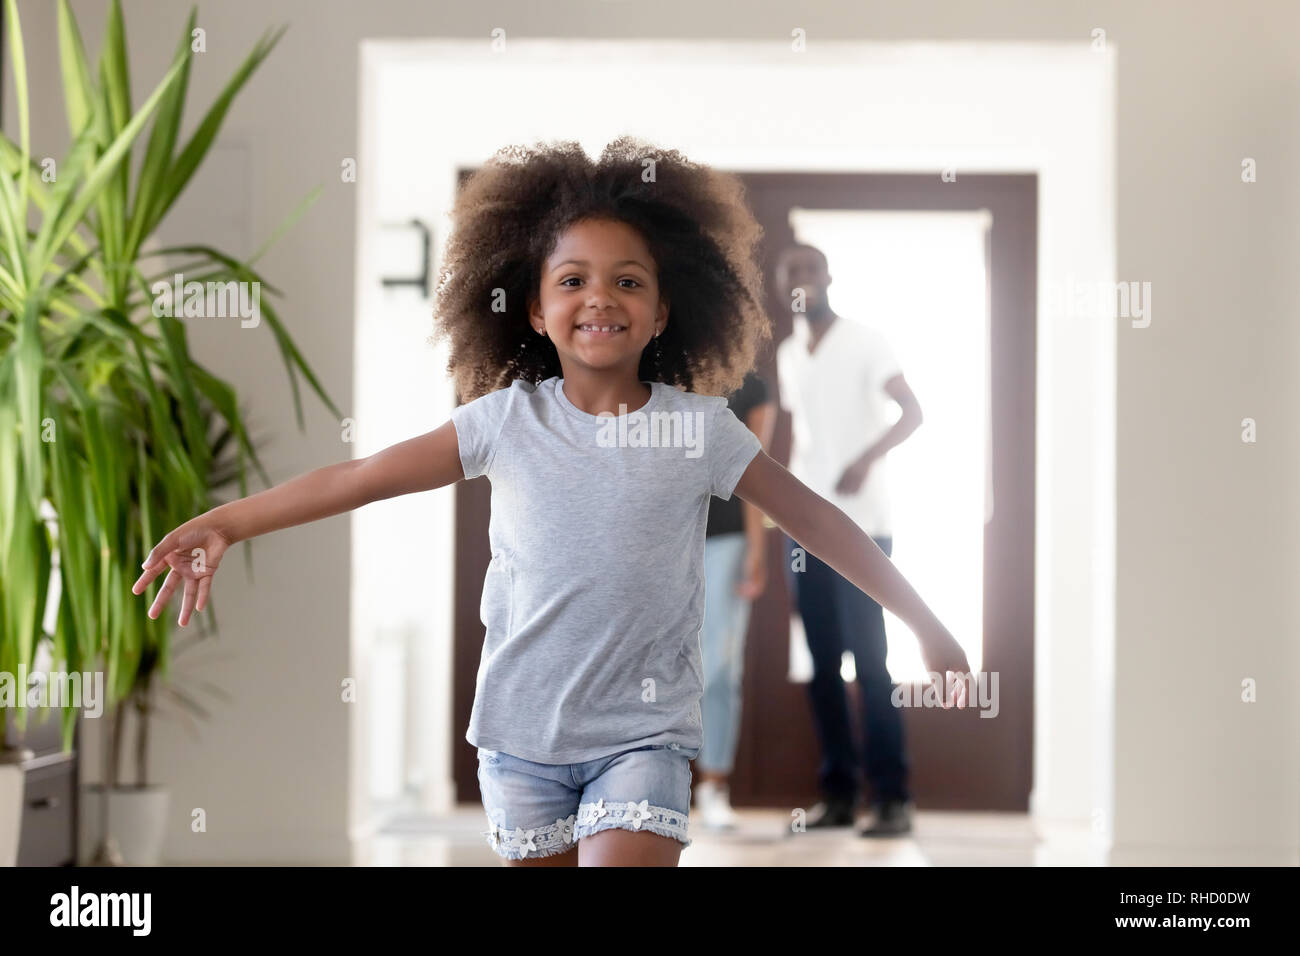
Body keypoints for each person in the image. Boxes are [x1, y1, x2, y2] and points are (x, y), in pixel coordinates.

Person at [131, 138, 969, 868]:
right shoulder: (502, 423)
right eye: (573, 280)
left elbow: (818, 521)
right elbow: (362, 477)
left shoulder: (701, 433)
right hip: (521, 743)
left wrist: (925, 624)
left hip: (646, 736)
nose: (600, 296)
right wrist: (226, 520)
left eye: (627, 281)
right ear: (535, 309)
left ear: (663, 311)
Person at [774, 243, 926, 837]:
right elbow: (804, 441)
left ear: (828, 277)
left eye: (810, 270)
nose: (802, 281)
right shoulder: (790, 353)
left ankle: (893, 798)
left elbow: (913, 413)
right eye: (791, 274)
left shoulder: (867, 340)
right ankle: (838, 795)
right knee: (821, 662)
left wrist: (866, 460)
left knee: (872, 661)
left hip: (863, 523)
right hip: (805, 529)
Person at [695, 371, 776, 829]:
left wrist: (757, 550)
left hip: (727, 541)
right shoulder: (655, 368)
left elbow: (758, 472)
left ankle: (713, 785)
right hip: (662, 538)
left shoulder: (752, 386)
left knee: (721, 669)